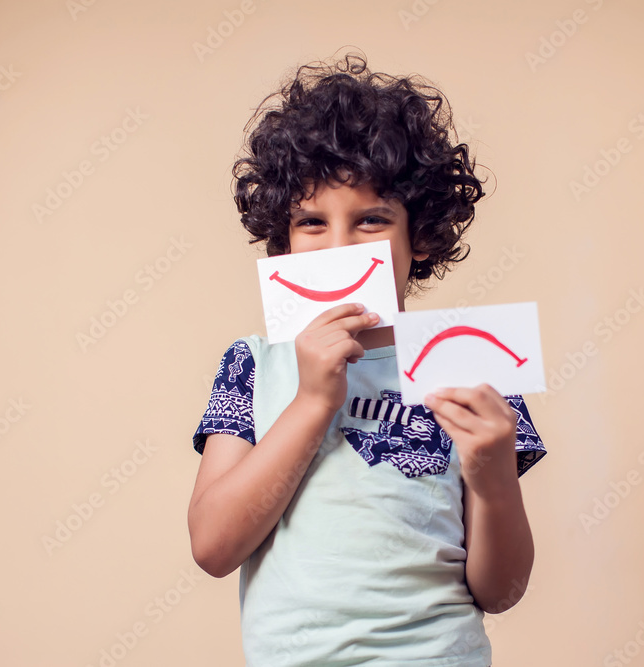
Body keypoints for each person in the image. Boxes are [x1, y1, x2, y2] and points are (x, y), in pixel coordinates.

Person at [188, 50, 546, 666]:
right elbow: (213, 547)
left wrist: (491, 479)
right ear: (283, 238)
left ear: (422, 235)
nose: (339, 247)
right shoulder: (254, 364)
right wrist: (312, 400)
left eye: (371, 219)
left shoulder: (468, 364)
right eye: (311, 223)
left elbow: (501, 590)